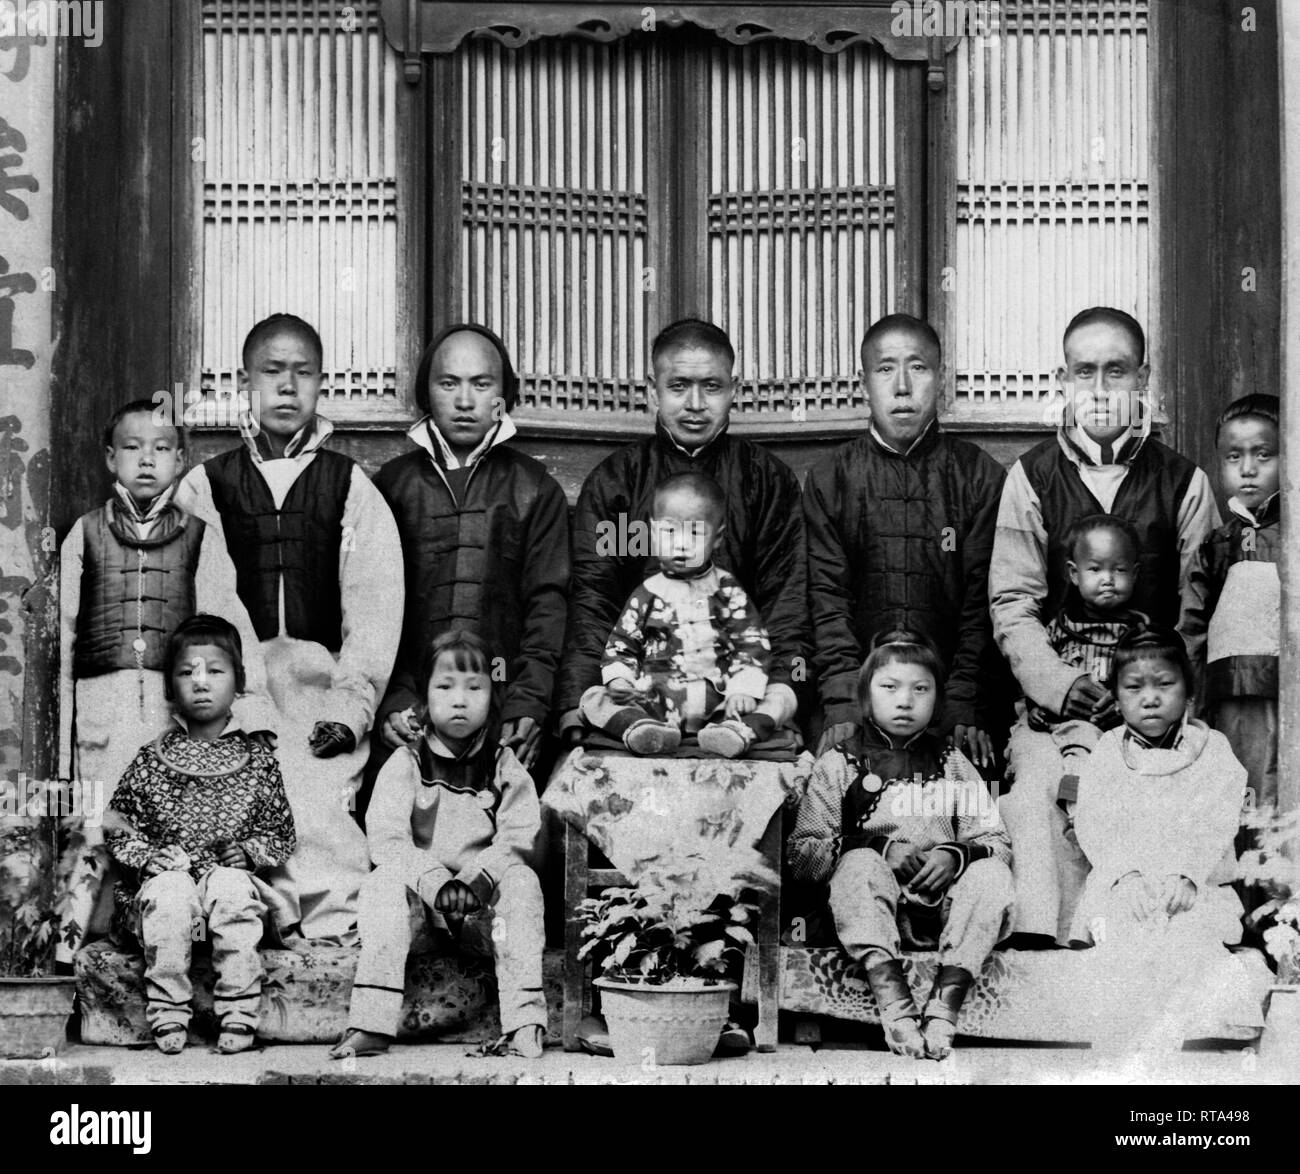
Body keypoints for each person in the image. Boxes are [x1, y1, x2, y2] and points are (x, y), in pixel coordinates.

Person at [991, 307, 1220, 945]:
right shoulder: (1031, 477)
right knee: (1039, 791)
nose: (1099, 389)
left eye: (1115, 371)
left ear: (1142, 379)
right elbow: (1013, 603)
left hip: (1151, 709)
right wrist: (1058, 685)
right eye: (1083, 371)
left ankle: (1127, 946)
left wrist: (1160, 704)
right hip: (1056, 711)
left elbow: (1193, 614)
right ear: (1062, 380)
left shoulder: (1184, 482)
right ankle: (1044, 941)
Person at [177, 314, 403, 945]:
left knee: (318, 799)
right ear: (244, 382)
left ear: (321, 384)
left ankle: (332, 935)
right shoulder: (206, 485)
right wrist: (239, 701)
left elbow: (376, 604)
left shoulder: (347, 484)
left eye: (303, 373)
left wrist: (352, 706)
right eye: (271, 373)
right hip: (240, 693)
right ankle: (257, 931)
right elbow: (203, 601)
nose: (287, 387)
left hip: (320, 692)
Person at [55, 399, 276, 966]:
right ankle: (67, 956)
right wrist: (59, 744)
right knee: (93, 823)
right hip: (99, 702)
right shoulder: (83, 534)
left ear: (181, 459)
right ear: (110, 458)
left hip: (163, 707)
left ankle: (164, 940)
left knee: (158, 828)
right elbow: (62, 635)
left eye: (161, 449)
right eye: (132, 448)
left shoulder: (201, 536)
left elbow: (228, 625)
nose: (146, 461)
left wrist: (250, 716)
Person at [558, 318, 809, 747]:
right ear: (652, 388)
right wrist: (575, 700)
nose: (694, 404)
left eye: (711, 387)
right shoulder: (619, 483)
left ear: (735, 388)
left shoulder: (767, 483)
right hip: (644, 688)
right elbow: (596, 599)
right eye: (678, 387)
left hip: (739, 694)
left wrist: (780, 686)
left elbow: (785, 601)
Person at [787, 629, 1014, 1060]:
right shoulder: (839, 763)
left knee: (992, 873)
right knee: (858, 867)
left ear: (937, 701)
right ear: (866, 697)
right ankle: (898, 1012)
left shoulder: (952, 763)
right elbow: (803, 855)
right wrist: (877, 848)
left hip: (944, 909)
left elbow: (997, 842)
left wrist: (956, 854)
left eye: (920, 689)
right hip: (873, 911)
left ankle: (944, 1010)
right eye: (889, 688)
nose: (905, 700)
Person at [329, 630, 546, 1061]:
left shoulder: (504, 765)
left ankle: (525, 1021)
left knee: (523, 883)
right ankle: (371, 1023)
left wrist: (479, 880)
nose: (460, 700)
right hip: (423, 920)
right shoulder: (406, 761)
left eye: (475, 687)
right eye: (445, 687)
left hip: (484, 918)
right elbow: (387, 838)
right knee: (380, 885)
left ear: (493, 695)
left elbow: (522, 835)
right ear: (425, 698)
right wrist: (432, 882)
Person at [803, 314, 1007, 765]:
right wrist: (842, 700)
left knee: (974, 798)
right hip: (858, 698)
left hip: (956, 699)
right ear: (863, 382)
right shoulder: (831, 479)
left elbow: (984, 601)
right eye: (885, 369)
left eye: (918, 368)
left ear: (941, 379)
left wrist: (961, 701)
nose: (901, 387)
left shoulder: (979, 476)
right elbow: (825, 597)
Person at [371, 324, 569, 779]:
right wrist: (393, 702)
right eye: (448, 383)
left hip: (503, 707)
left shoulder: (536, 490)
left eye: (482, 385)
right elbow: (372, 611)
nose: (465, 401)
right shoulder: (390, 486)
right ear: (426, 393)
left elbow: (549, 606)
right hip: (409, 709)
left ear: (504, 395)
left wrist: (528, 704)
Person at [105, 616, 296, 1055]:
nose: (201, 683)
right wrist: (146, 857)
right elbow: (117, 824)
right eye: (187, 672)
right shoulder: (152, 758)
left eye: (215, 671)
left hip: (226, 886)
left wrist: (248, 853)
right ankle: (168, 1012)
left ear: (239, 682)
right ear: (171, 686)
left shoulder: (258, 758)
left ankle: (239, 1013)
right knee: (170, 893)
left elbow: (280, 831)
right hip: (169, 885)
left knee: (231, 888)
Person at [1072, 626, 1246, 1053]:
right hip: (1126, 885)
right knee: (1123, 942)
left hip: (1189, 885)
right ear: (1116, 696)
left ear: (1187, 691)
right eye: (1134, 687)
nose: (1150, 698)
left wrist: (1186, 874)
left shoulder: (1212, 749)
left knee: (1182, 941)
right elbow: (1094, 822)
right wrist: (1125, 876)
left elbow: (1218, 819)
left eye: (1164, 684)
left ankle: (1160, 1054)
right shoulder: (1109, 751)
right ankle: (1117, 1057)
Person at [579, 472, 772, 757]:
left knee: (776, 697)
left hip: (717, 699)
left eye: (695, 533)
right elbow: (622, 644)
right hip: (655, 701)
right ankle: (642, 729)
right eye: (669, 532)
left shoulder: (726, 590)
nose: (681, 544)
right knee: (593, 698)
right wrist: (620, 680)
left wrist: (741, 689)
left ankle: (730, 733)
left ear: (717, 538)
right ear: (653, 533)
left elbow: (751, 641)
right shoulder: (647, 593)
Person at [1181, 394, 1281, 915]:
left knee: (1285, 792)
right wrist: (1192, 704)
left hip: (1287, 688)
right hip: (1232, 695)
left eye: (1263, 455)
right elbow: (1192, 627)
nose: (1247, 470)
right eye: (1233, 457)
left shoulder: (1292, 537)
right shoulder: (1217, 545)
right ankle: (1252, 912)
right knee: (1244, 794)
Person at [1018, 514, 1149, 828]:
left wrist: (1126, 706)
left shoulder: (1141, 633)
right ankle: (1077, 813)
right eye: (1095, 569)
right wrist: (1038, 708)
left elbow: (1151, 681)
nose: (1108, 579)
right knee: (1079, 751)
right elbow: (1039, 673)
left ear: (1135, 573)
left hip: (1123, 726)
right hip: (1072, 725)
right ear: (1074, 574)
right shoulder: (1061, 629)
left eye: (1119, 570)